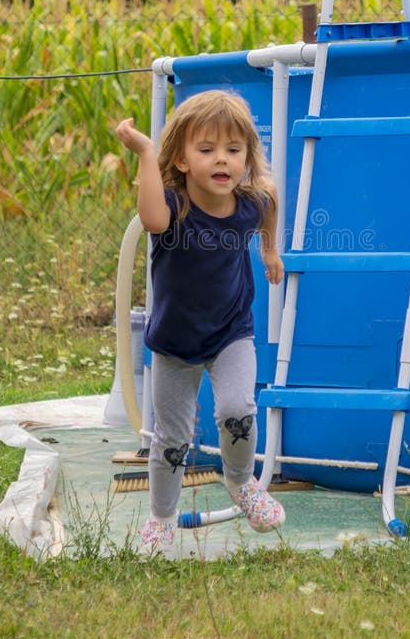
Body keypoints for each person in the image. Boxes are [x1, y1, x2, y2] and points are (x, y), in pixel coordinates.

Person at [116, 89, 286, 552]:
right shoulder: (174, 207)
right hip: (174, 343)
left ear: (247, 156)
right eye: (207, 149)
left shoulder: (250, 202)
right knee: (171, 441)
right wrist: (148, 152)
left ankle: (241, 483)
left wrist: (269, 250)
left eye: (234, 150)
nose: (222, 160)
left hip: (232, 332)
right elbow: (150, 219)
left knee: (237, 411)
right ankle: (161, 518)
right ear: (184, 159)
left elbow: (269, 199)